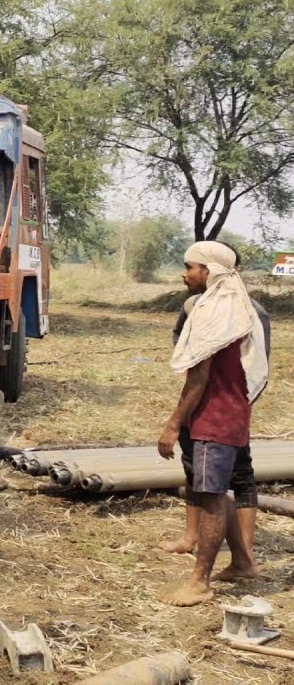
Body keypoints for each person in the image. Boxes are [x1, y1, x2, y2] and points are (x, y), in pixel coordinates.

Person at [158, 241, 269, 607]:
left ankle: (200, 582)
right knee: (219, 493)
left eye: (190, 266)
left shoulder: (213, 313)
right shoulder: (238, 306)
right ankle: (242, 562)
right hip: (233, 413)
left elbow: (199, 377)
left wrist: (174, 424)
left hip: (213, 418)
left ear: (209, 271)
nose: (185, 273)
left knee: (208, 499)